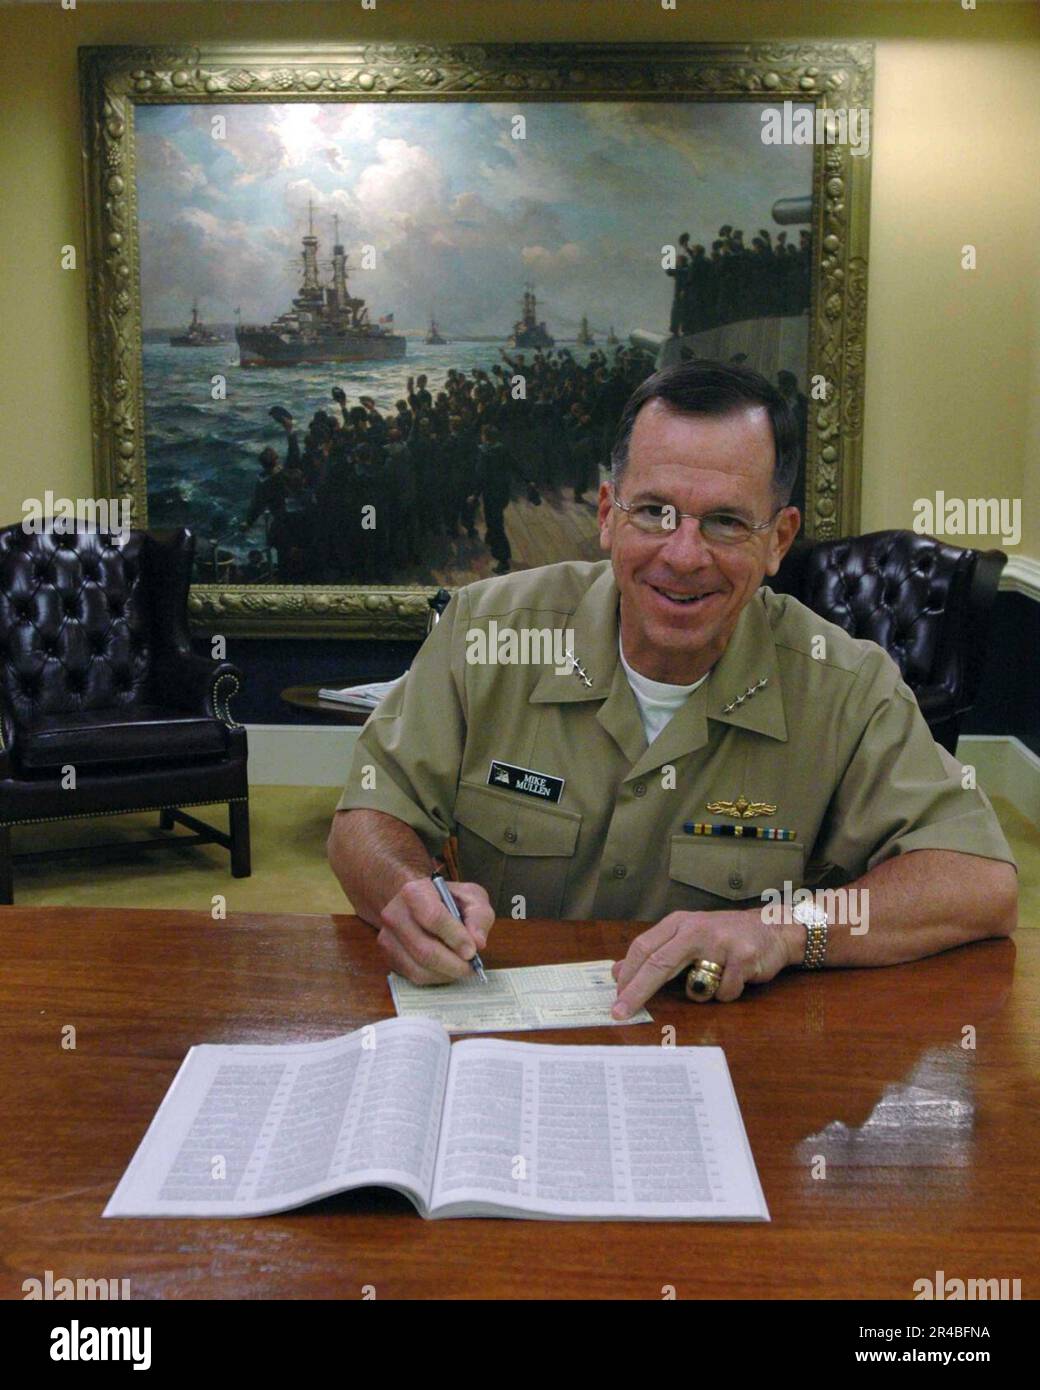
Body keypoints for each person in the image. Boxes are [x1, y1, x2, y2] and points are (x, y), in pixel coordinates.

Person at [327, 358, 1017, 1015]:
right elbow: (368, 817)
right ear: (606, 514)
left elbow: (979, 882)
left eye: (724, 521)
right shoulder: (485, 632)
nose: (683, 556)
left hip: (738, 1058)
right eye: (654, 511)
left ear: (779, 539)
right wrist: (409, 892)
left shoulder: (847, 687)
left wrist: (781, 930)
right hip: (510, 1038)